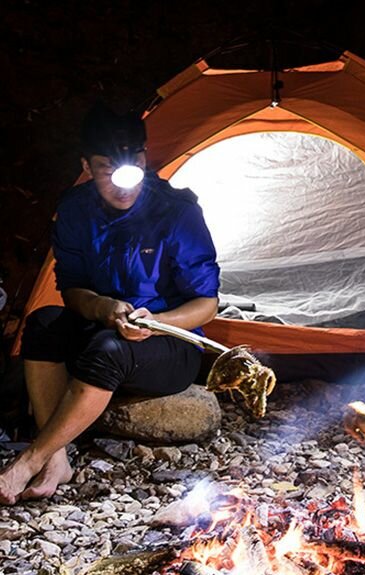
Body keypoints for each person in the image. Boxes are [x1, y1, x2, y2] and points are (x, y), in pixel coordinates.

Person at [0, 103, 220, 504]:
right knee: (43, 323)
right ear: (86, 165)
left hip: (172, 342)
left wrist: (157, 321)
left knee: (108, 351)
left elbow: (207, 303)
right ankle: (58, 459)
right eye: (106, 171)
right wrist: (103, 308)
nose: (123, 187)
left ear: (142, 158)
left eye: (132, 170)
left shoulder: (176, 211)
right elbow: (73, 290)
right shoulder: (74, 209)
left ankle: (29, 461)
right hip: (105, 323)